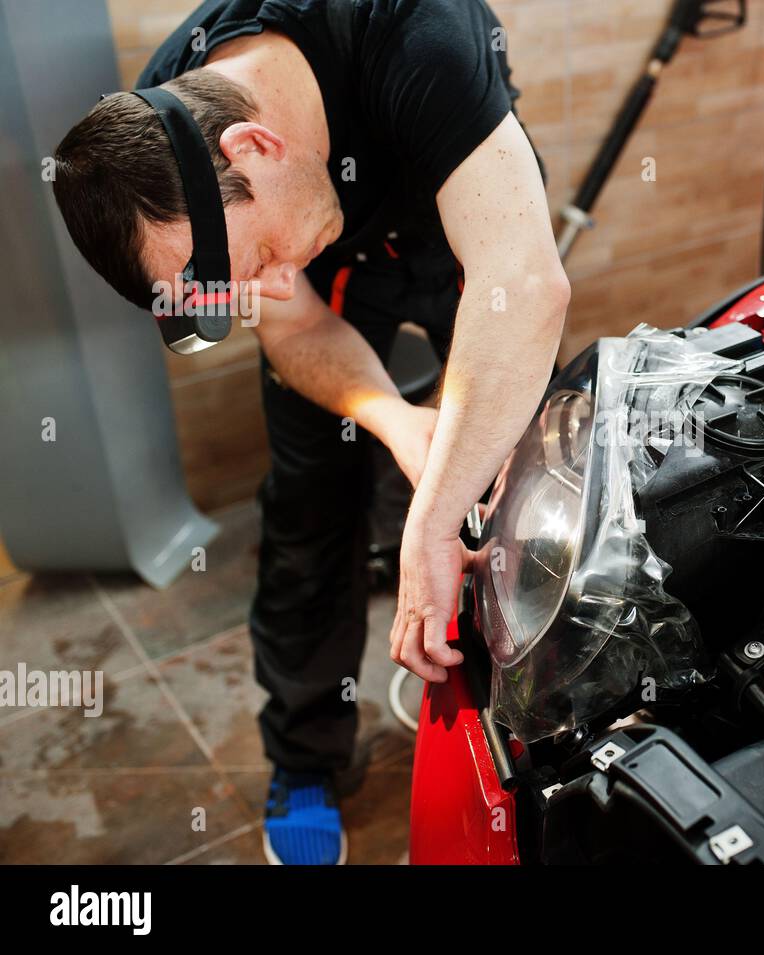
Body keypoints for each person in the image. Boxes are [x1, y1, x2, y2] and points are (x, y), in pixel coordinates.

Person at [51, 0, 567, 864]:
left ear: (253, 148)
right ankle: (305, 759)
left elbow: (524, 280)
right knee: (308, 503)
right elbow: (291, 325)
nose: (263, 284)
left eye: (250, 265)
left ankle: (553, 727)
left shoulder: (416, 33)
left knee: (534, 475)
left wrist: (433, 517)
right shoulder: (158, 140)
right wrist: (399, 423)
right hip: (324, 246)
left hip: (459, 230)